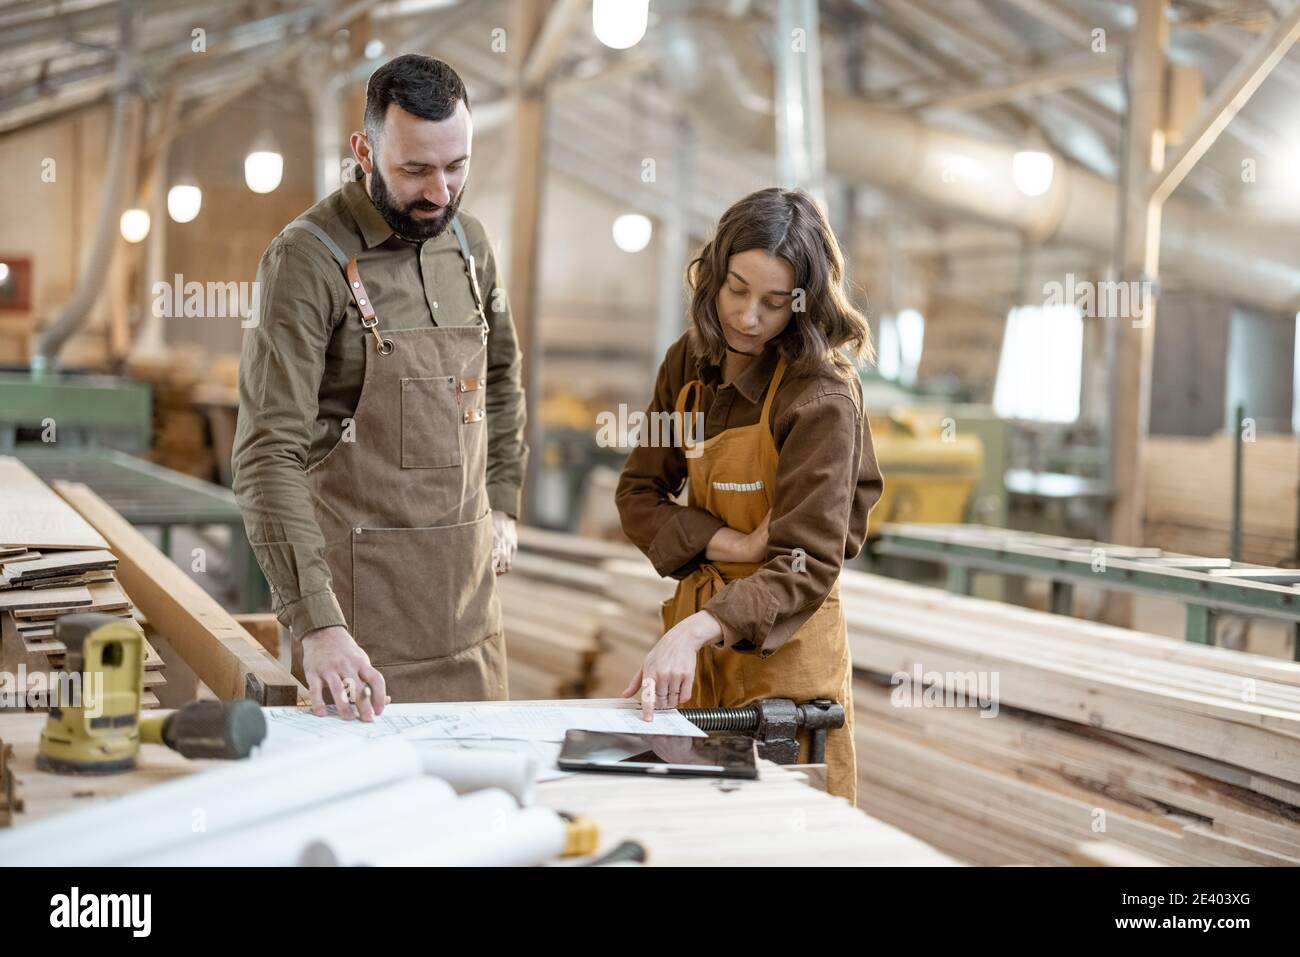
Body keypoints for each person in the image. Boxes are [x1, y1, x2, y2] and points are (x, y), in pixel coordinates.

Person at [232, 55, 527, 719]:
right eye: (416, 169)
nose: (441, 193)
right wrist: (316, 625)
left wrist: (503, 500)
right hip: (358, 633)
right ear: (364, 150)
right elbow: (265, 453)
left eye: (457, 167)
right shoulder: (306, 259)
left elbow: (501, 374)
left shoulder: (470, 245)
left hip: (470, 618)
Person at [615, 187, 882, 803]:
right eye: (736, 290)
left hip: (784, 662)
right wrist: (725, 539)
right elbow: (638, 493)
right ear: (713, 273)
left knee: (787, 839)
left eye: (774, 302)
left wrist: (695, 630)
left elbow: (805, 561)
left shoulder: (821, 397)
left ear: (805, 303)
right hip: (699, 657)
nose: (747, 318)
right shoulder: (690, 363)